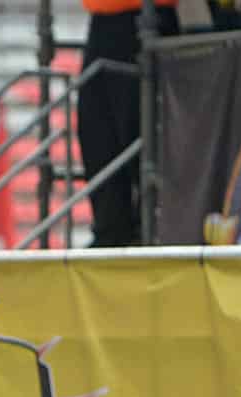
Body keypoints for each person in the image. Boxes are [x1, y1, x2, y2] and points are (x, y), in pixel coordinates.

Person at [79, 0, 180, 248]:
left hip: (146, 18)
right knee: (96, 131)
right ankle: (111, 231)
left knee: (138, 131)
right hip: (103, 18)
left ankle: (149, 232)